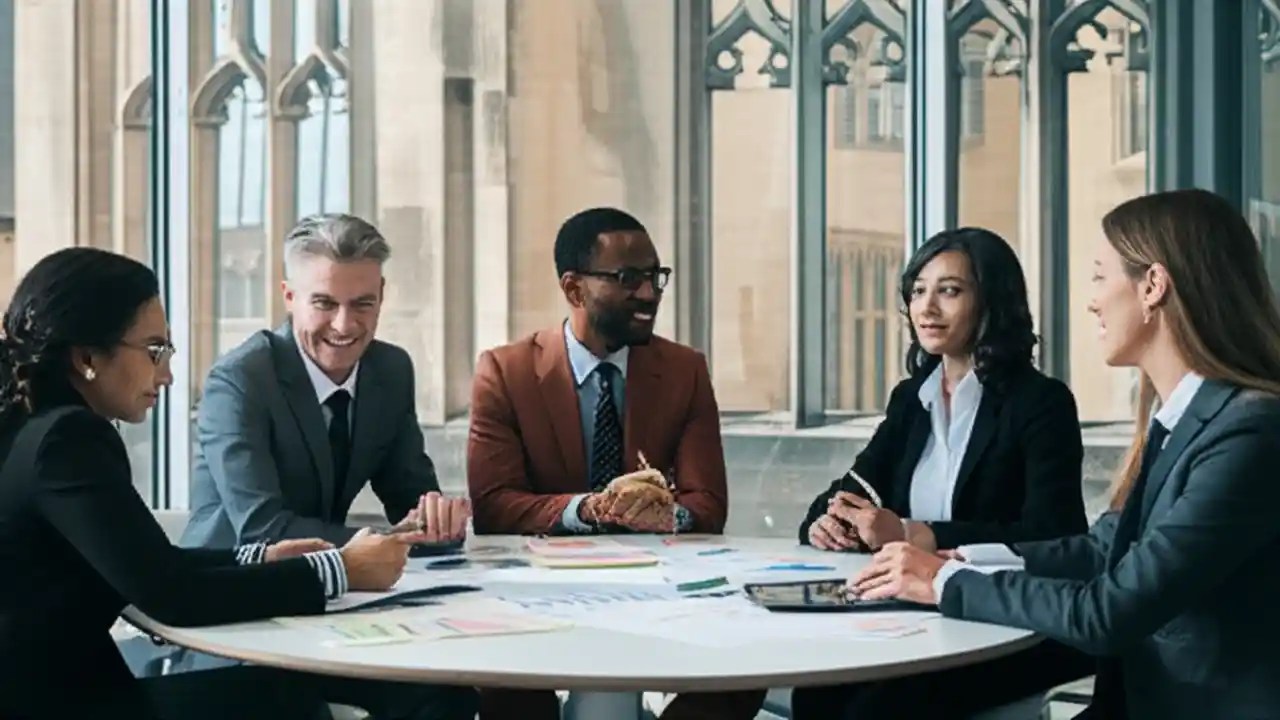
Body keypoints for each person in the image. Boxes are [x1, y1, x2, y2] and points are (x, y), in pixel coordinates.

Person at [851, 188, 1280, 719]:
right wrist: (963, 558)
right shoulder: (1185, 421)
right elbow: (1104, 549)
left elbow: (1109, 610)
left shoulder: (1248, 436)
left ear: (1153, 286)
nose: (1092, 299)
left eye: (1100, 276)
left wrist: (943, 582)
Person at [0, 247, 416, 719]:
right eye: (154, 350)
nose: (168, 373)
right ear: (87, 357)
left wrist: (256, 556)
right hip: (60, 706)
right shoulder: (65, 440)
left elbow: (146, 565)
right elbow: (171, 596)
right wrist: (341, 570)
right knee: (286, 702)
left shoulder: (31, 424)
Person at [466, 207, 761, 719]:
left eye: (654, 276)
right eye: (628, 279)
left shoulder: (685, 371)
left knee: (745, 672)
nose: (649, 293)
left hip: (661, 589)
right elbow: (493, 507)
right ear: (574, 289)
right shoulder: (506, 371)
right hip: (535, 593)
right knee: (507, 693)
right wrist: (593, 510)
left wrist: (671, 517)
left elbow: (708, 505)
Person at [179, 213, 477, 718]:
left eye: (363, 303)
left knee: (448, 694)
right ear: (288, 295)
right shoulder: (241, 380)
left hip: (337, 614)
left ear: (382, 294)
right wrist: (375, 549)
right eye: (324, 303)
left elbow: (412, 497)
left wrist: (435, 518)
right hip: (237, 619)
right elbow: (263, 531)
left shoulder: (390, 369)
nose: (345, 325)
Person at [791, 227, 1091, 718]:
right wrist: (829, 522)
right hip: (917, 612)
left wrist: (916, 535)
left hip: (1008, 619)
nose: (927, 308)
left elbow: (1055, 535)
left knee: (876, 705)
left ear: (992, 300)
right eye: (918, 291)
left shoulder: (1040, 403)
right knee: (820, 691)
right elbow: (852, 489)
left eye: (949, 291)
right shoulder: (913, 399)